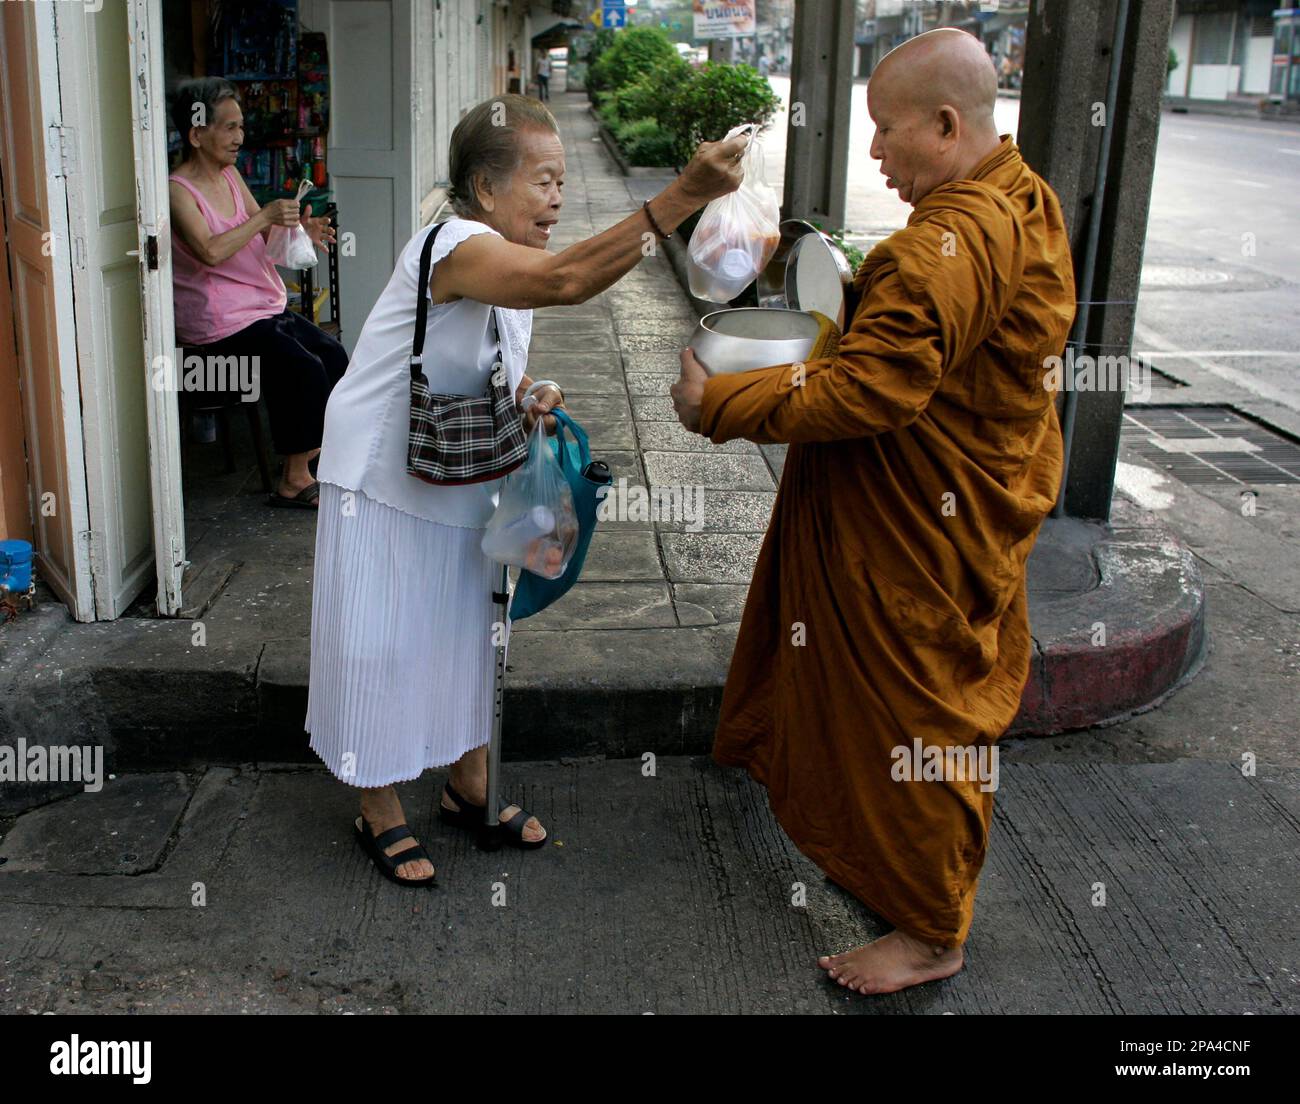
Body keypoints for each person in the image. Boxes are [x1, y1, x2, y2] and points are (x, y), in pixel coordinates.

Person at [670, 29, 1076, 994]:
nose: (878, 156)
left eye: (887, 135)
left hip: (918, 535)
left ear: (946, 122)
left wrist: (715, 405)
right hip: (955, 495)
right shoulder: (1020, 196)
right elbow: (931, 345)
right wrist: (850, 291)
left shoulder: (944, 246)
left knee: (913, 710)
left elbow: (872, 392)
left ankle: (934, 933)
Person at [306, 95, 745, 886]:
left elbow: (487, 353)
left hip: (453, 468)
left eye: (562, 181)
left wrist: (529, 390)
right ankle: (377, 806)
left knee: (467, 633)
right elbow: (569, 280)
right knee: (379, 637)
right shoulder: (458, 243)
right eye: (542, 181)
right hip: (378, 473)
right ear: (483, 187)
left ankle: (468, 786)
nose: (557, 199)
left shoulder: (495, 248)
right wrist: (686, 193)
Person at [169, 78, 343, 509]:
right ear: (196, 133)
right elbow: (210, 251)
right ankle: (293, 479)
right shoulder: (177, 191)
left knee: (333, 354)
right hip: (216, 324)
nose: (239, 137)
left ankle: (320, 454)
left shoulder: (229, 176)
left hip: (257, 307)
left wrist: (301, 228)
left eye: (240, 127)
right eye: (228, 128)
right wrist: (265, 213)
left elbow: (261, 231)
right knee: (300, 367)